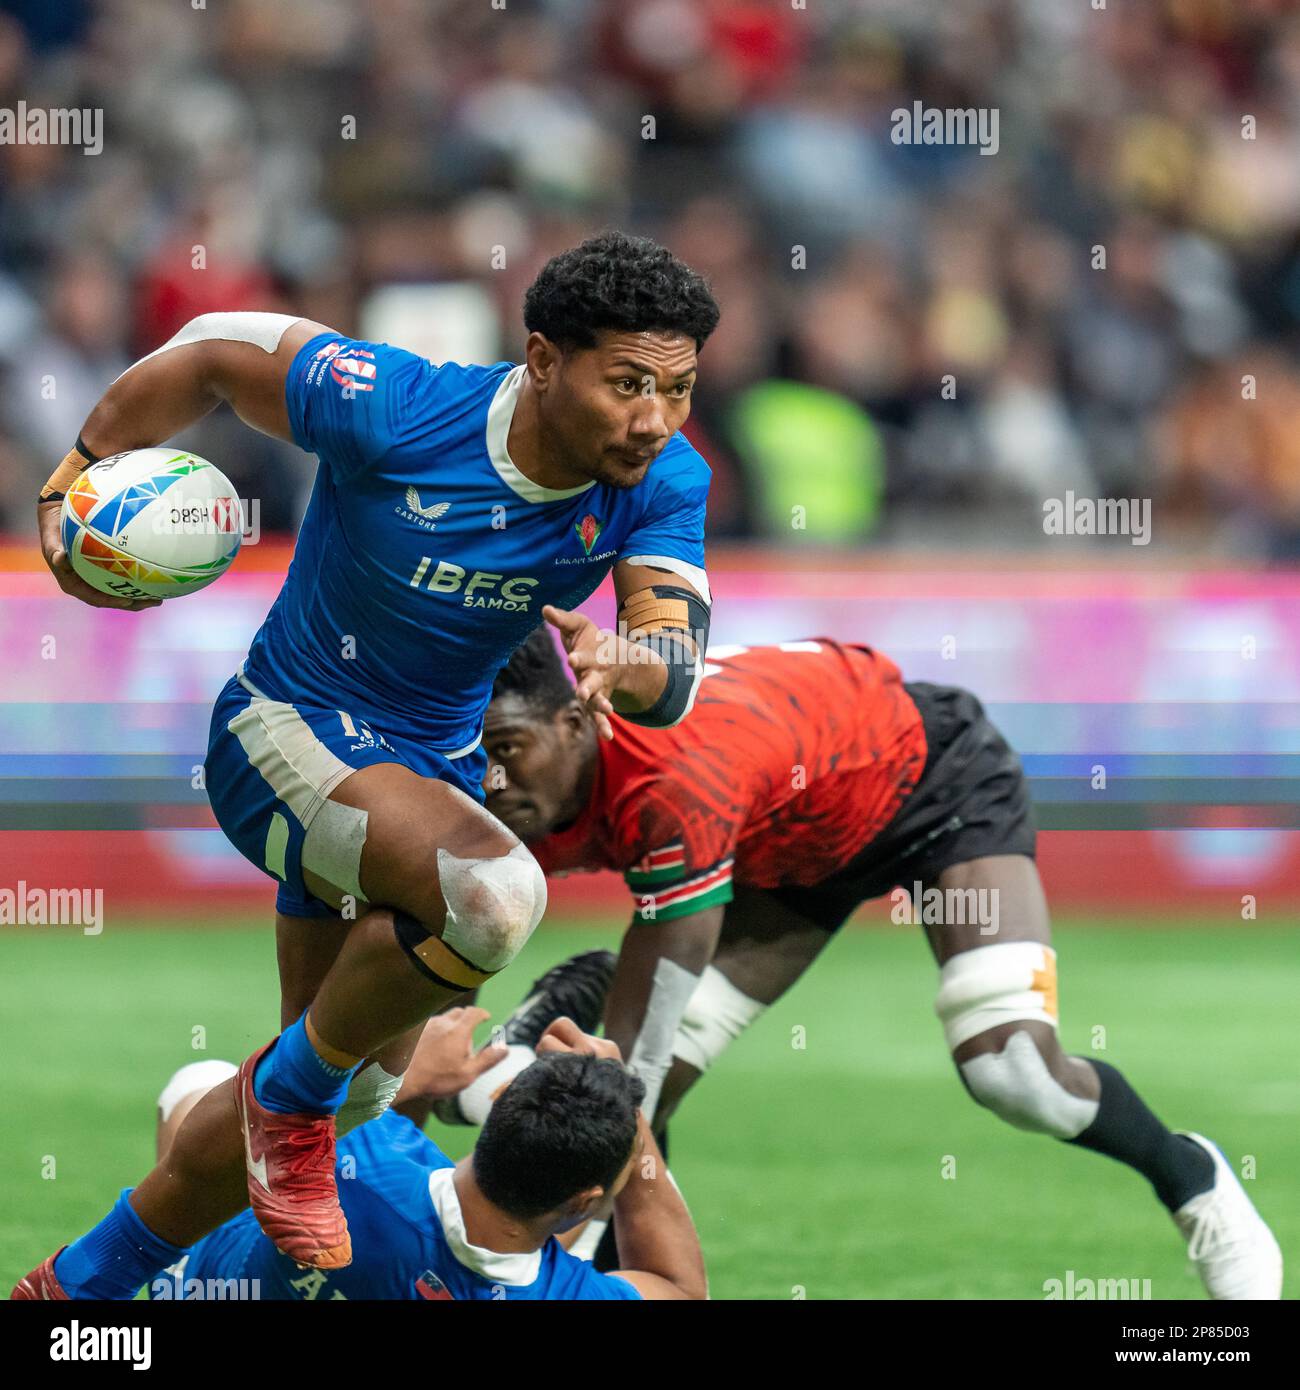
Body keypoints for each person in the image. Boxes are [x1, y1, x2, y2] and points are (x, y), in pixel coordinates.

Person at [24, 231, 719, 1288]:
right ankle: (281, 1102)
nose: (653, 419)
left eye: (676, 388)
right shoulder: (394, 403)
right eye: (627, 383)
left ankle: (79, 1292)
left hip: (416, 785)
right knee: (492, 896)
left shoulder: (664, 478)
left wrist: (635, 662)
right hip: (284, 734)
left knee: (348, 1109)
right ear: (542, 361)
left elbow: (672, 663)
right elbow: (212, 349)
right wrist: (74, 473)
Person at [473, 628, 1283, 1300]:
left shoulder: (672, 774)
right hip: (784, 839)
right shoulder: (512, 781)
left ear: (581, 722)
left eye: (510, 747)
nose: (495, 777)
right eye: (483, 752)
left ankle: (1193, 1177)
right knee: (655, 1081)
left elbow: (637, 1047)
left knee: (1014, 1071)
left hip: (929, 787)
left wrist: (555, 1226)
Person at [14, 1011, 705, 1301]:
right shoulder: (569, 1294)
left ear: (492, 1115)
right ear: (585, 1203)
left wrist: (398, 1078)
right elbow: (678, 1287)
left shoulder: (368, 1153)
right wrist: (628, 1118)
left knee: (198, 1088)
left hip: (205, 1279)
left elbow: (292, 1089)